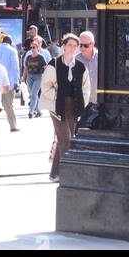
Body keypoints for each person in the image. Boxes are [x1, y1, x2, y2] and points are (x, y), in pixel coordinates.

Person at [48, 33, 91, 182]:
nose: (72, 48)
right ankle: (68, 173)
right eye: (69, 45)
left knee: (67, 139)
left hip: (74, 105)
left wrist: (82, 104)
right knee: (65, 137)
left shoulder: (80, 66)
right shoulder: (54, 63)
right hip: (57, 105)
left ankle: (55, 173)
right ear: (63, 46)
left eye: (75, 46)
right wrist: (54, 100)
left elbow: (86, 88)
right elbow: (46, 86)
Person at [0, 34, 21, 132]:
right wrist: (16, 81)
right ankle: (13, 126)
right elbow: (15, 67)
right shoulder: (12, 51)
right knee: (9, 105)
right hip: (8, 82)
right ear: (10, 42)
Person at [23, 36, 50, 118]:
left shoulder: (41, 57)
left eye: (34, 47)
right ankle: (38, 110)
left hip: (38, 76)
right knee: (32, 94)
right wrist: (23, 77)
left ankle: (31, 111)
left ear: (38, 48)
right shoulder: (28, 56)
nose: (32, 49)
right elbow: (26, 67)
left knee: (34, 94)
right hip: (29, 77)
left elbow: (46, 67)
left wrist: (46, 77)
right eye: (31, 47)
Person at [76, 30, 99, 106]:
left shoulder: (101, 58)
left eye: (85, 45)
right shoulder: (75, 60)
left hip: (99, 102)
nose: (82, 48)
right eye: (80, 45)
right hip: (81, 102)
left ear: (92, 44)